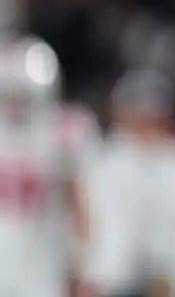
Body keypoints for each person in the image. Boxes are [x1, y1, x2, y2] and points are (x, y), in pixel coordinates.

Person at [0, 32, 98, 297]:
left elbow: (78, 202)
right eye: (10, 96)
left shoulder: (62, 133)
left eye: (23, 97)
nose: (16, 106)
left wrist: (84, 267)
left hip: (41, 260)